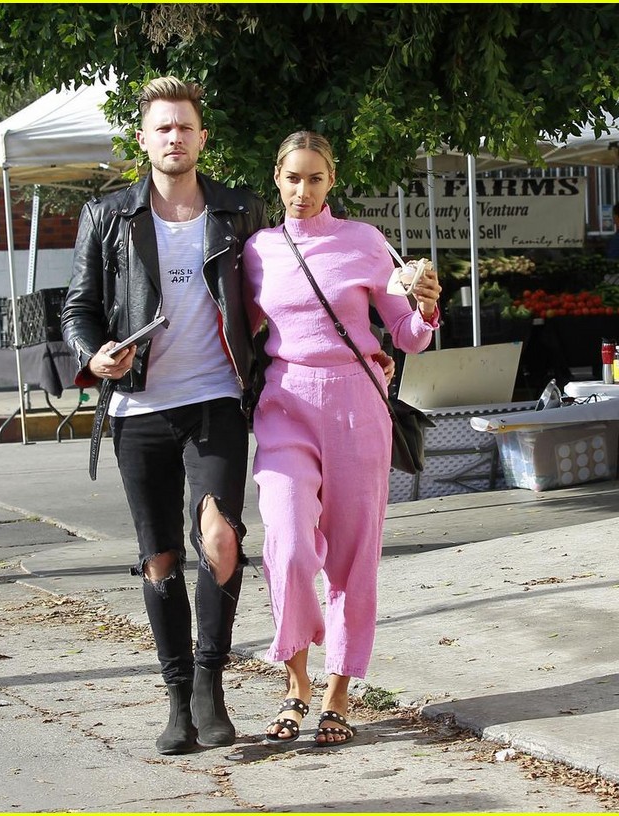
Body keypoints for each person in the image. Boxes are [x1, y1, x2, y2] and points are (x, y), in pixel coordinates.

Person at [59, 76, 267, 755]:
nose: (174, 137)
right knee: (159, 560)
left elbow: (279, 296)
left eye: (185, 126)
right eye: (163, 127)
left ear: (202, 138)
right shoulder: (109, 215)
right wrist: (97, 354)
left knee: (221, 540)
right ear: (143, 139)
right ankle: (176, 699)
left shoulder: (237, 213)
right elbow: (77, 308)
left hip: (215, 400)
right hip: (139, 406)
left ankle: (210, 683)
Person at [242, 131, 442, 747]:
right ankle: (294, 680)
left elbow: (406, 337)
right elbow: (232, 334)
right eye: (292, 178)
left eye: (315, 179)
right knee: (288, 539)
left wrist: (427, 307)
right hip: (285, 404)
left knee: (355, 555)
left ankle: (336, 693)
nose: (303, 191)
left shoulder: (363, 242)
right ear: (276, 178)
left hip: (357, 403)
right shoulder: (257, 251)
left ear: (332, 181)